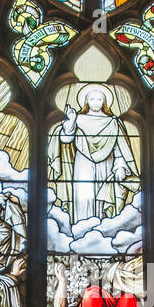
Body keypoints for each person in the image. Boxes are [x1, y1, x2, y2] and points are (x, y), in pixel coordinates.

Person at [48, 84, 138, 226]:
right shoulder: (77, 119)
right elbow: (66, 140)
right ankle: (81, 229)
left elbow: (120, 148)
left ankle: (104, 230)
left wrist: (120, 166)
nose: (96, 102)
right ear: (86, 101)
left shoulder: (113, 122)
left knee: (105, 198)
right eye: (92, 99)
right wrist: (70, 125)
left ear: (105, 102)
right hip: (83, 164)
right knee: (84, 196)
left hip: (108, 164)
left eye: (99, 99)